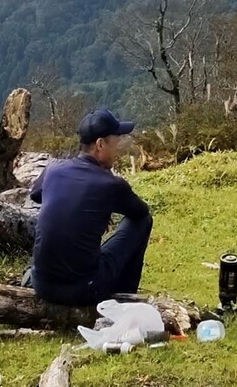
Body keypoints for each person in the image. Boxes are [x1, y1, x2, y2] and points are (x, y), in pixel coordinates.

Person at [28, 109, 153, 305]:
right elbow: (140, 212)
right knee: (143, 222)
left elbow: (36, 195)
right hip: (83, 289)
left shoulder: (53, 169)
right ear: (100, 144)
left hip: (41, 283)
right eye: (116, 140)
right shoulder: (110, 184)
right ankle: (125, 297)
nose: (118, 147)